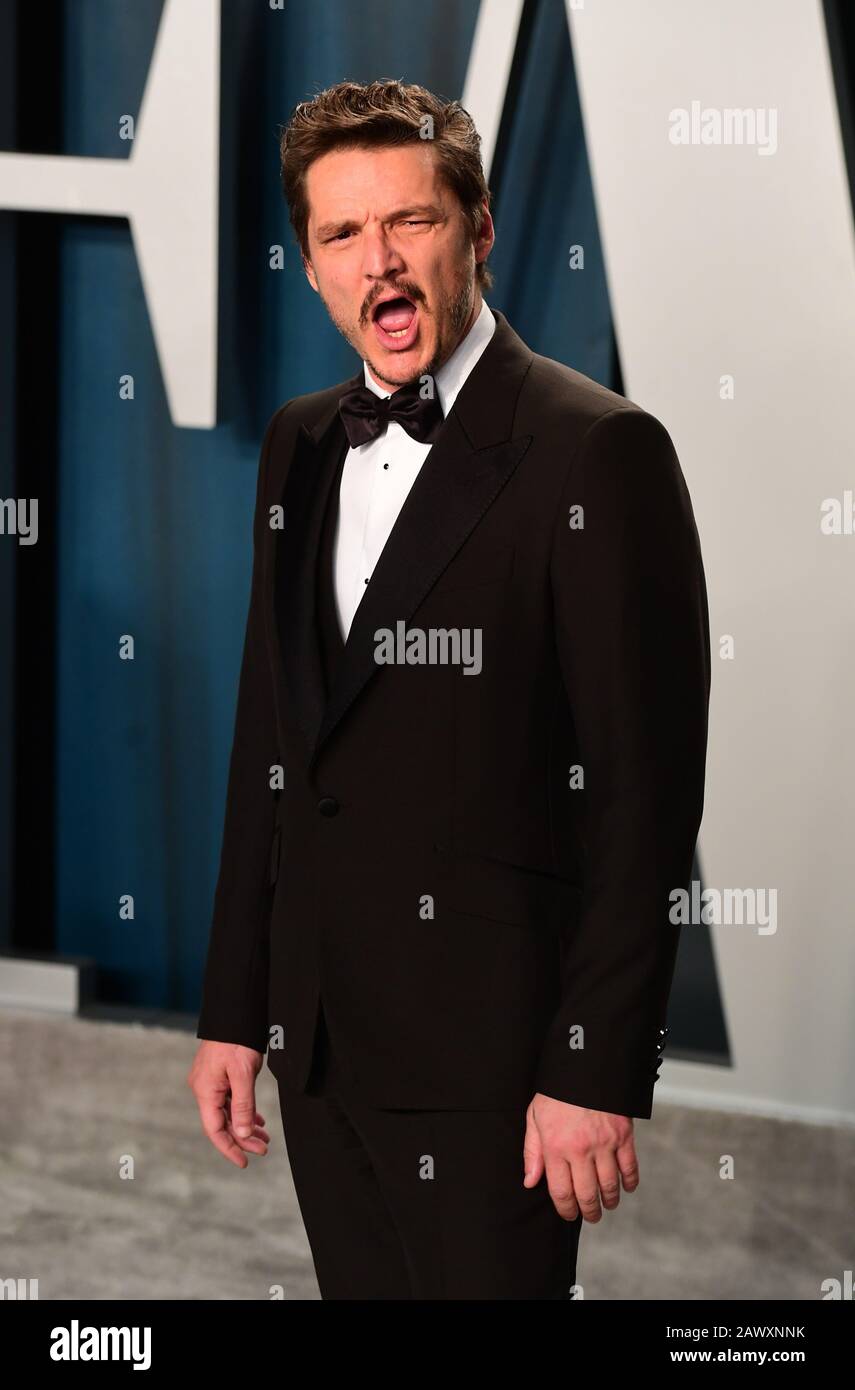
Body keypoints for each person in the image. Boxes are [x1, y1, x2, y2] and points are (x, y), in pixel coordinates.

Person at [188, 78, 711, 1300]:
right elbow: (270, 740)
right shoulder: (299, 440)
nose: (380, 262)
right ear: (311, 265)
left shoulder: (598, 450)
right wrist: (234, 1003)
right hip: (319, 1039)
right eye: (340, 234)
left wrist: (591, 1065)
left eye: (410, 223)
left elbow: (644, 797)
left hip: (497, 1062)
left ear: (476, 230)